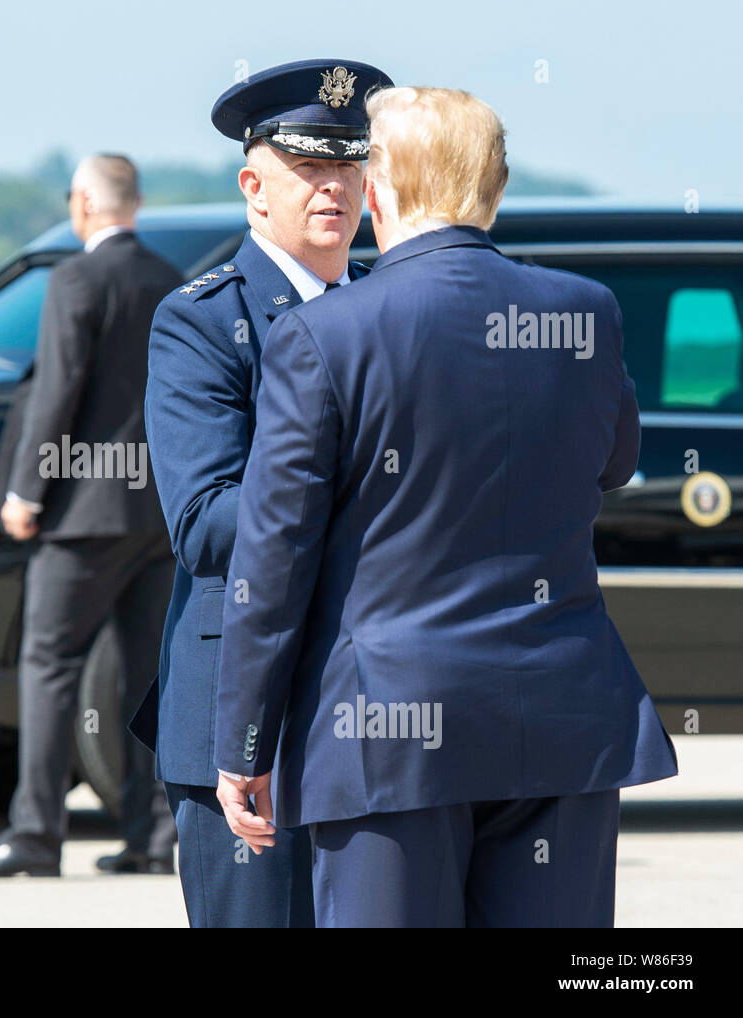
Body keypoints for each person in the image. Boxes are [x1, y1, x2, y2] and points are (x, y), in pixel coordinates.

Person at [213, 86, 679, 927]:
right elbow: (617, 463)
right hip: (561, 719)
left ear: (379, 191)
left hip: (387, 731)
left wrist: (243, 742)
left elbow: (273, 560)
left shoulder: (327, 333)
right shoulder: (586, 311)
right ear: (494, 191)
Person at [128, 59, 392, 927]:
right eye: (309, 167)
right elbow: (205, 524)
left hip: (383, 699)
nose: (334, 188)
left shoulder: (395, 308)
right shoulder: (203, 320)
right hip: (251, 713)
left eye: (350, 166)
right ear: (254, 185)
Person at [0, 155, 180, 878]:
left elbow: (58, 391)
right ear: (134, 203)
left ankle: (36, 835)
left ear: (83, 204)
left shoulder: (77, 278)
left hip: (82, 514)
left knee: (47, 667)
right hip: (156, 515)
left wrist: (26, 492)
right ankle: (153, 836)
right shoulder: (169, 281)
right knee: (149, 679)